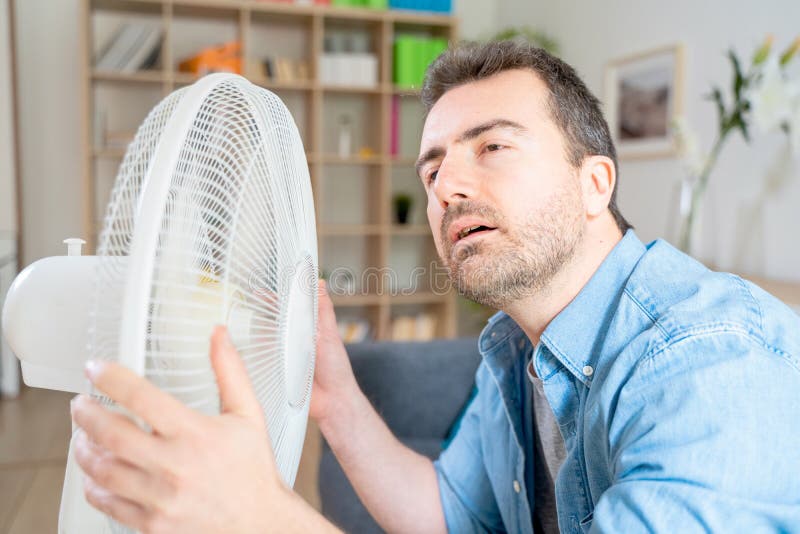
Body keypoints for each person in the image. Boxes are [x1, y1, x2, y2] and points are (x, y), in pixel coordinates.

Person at [71, 41, 800, 533]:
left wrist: (264, 516)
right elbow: (445, 512)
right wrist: (337, 398)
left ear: (594, 183)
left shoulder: (709, 361)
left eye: (492, 146)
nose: (448, 186)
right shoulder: (517, 348)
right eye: (431, 169)